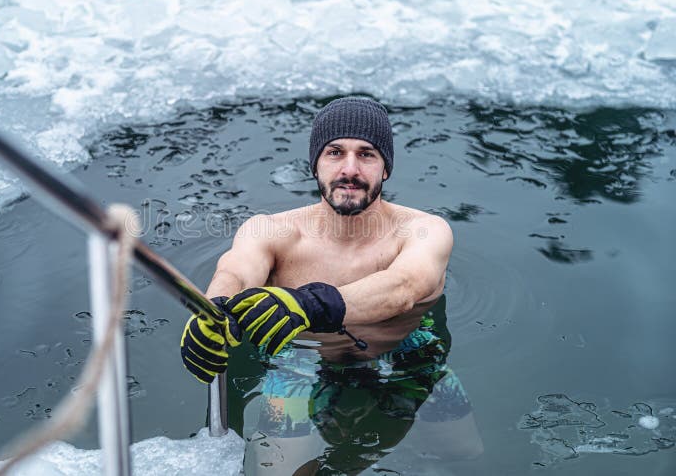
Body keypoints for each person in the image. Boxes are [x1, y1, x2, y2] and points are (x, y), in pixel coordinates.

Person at [180, 97, 482, 474]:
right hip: (299, 364)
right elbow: (236, 273)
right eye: (335, 152)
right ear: (316, 164)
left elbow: (405, 286)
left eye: (367, 154)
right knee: (279, 473)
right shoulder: (271, 231)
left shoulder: (424, 229)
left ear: (386, 168)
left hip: (406, 354)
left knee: (461, 453)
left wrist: (308, 304)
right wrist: (212, 310)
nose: (350, 169)